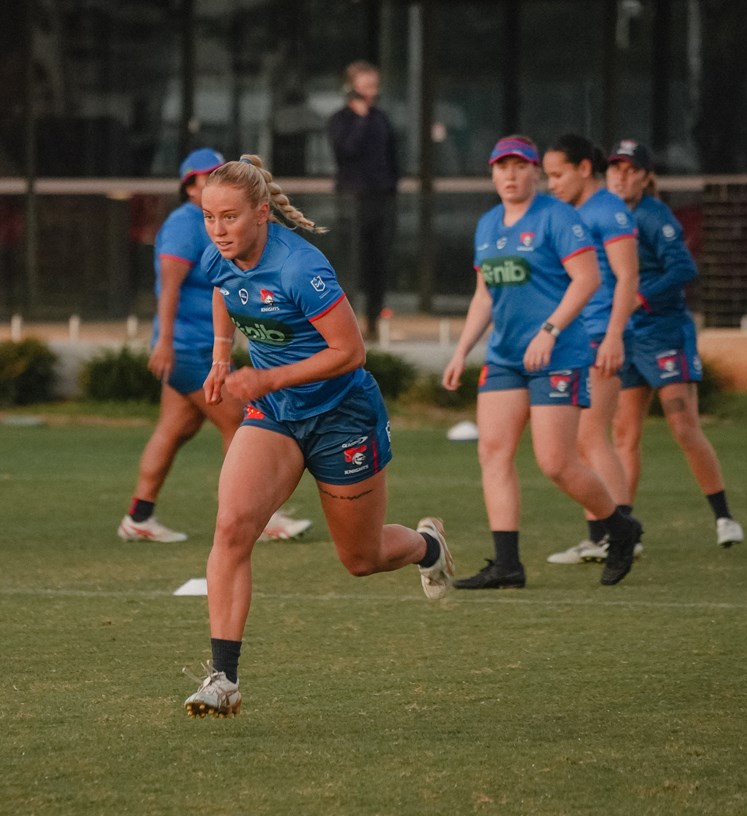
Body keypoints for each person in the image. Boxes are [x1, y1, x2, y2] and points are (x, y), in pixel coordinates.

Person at [182, 154, 453, 718]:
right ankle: (224, 680)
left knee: (361, 558)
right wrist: (221, 356)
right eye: (209, 217)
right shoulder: (218, 255)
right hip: (276, 414)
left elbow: (351, 352)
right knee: (232, 527)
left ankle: (428, 546)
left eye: (230, 217)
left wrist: (267, 376)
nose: (218, 230)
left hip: (342, 416)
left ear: (262, 213)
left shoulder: (300, 268)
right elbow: (222, 291)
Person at [442, 135, 644, 591]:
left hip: (559, 354)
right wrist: (461, 350)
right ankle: (507, 565)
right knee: (493, 452)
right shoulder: (488, 224)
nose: (510, 175)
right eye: (502, 167)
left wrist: (549, 330)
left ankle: (620, 529)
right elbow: (484, 295)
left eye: (520, 166)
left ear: (535, 172)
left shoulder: (558, 216)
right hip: (505, 357)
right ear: (492, 173)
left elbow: (588, 279)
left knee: (556, 462)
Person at [118, 149, 311, 544]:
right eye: (206, 176)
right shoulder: (183, 224)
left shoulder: (214, 222)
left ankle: (139, 516)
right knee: (239, 420)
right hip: (188, 348)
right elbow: (169, 287)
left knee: (175, 429)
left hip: (199, 346)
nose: (215, 181)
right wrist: (165, 343)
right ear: (189, 186)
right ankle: (255, 516)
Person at [605, 139, 745, 548]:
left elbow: (684, 267)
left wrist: (641, 296)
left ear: (646, 177)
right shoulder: (606, 216)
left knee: (683, 427)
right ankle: (625, 533)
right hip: (627, 335)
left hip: (664, 332)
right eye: (615, 168)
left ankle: (724, 519)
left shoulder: (653, 215)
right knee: (624, 436)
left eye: (631, 170)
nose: (621, 177)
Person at [541, 134, 642, 565]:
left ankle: (621, 533)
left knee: (591, 437)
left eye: (557, 174)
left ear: (584, 168)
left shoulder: (609, 210)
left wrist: (615, 334)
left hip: (603, 335)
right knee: (585, 442)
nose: (551, 184)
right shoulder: (573, 212)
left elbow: (628, 277)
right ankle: (605, 535)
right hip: (581, 336)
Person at [326, 60, 399, 340]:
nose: (372, 89)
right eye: (366, 84)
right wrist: (359, 119)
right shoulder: (341, 120)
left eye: (374, 84)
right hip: (353, 200)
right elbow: (345, 152)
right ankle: (349, 321)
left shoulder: (381, 118)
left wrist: (392, 185)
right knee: (353, 263)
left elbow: (391, 155)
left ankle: (374, 320)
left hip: (381, 198)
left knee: (378, 262)